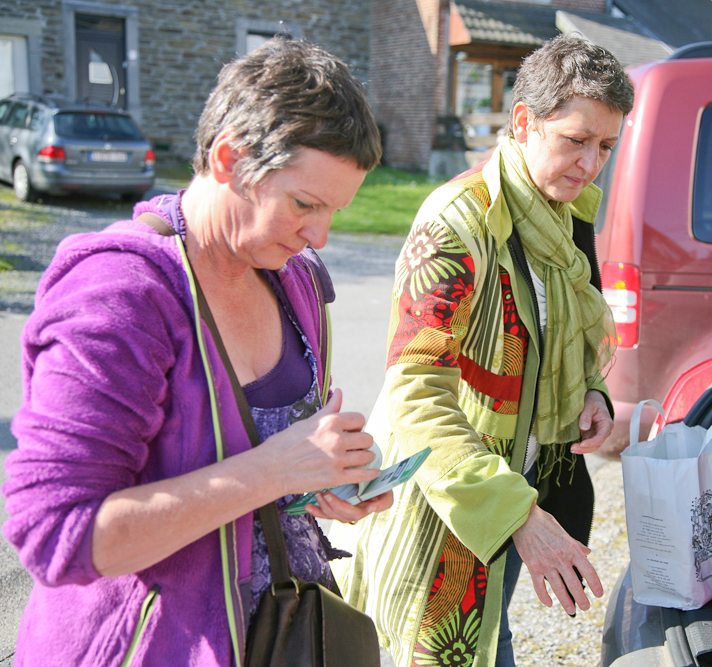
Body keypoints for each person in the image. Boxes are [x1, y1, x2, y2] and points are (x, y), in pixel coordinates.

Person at [3, 37, 391, 665]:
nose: (319, 235)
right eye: (304, 204)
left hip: (278, 635)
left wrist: (323, 476)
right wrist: (274, 470)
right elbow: (56, 536)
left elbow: (263, 458)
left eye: (335, 211)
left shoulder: (292, 274)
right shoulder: (120, 295)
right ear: (229, 160)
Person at [335, 34, 634, 666]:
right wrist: (518, 517)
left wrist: (593, 391)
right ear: (524, 122)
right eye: (576, 140)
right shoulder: (455, 225)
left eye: (606, 145)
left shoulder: (567, 207)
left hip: (519, 493)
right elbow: (415, 396)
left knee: (491, 643)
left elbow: (570, 331)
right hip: (451, 508)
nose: (591, 163)